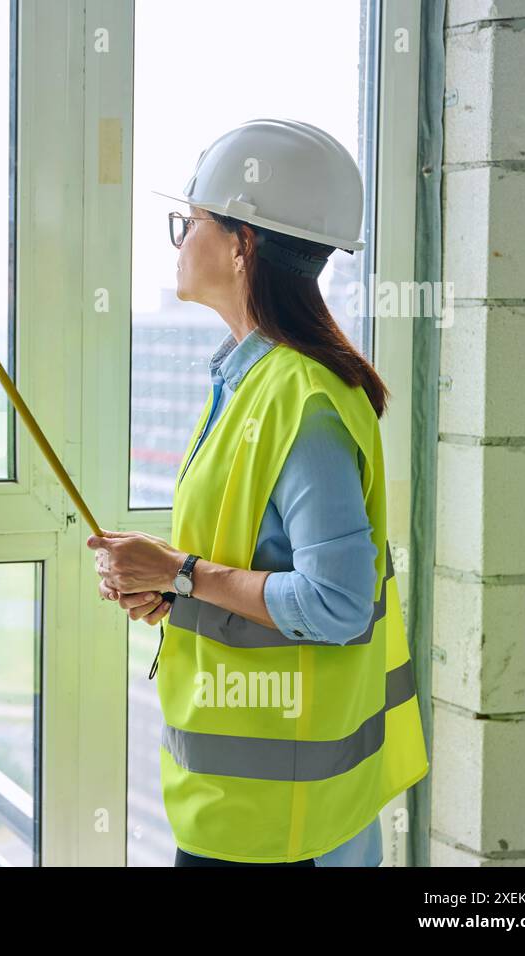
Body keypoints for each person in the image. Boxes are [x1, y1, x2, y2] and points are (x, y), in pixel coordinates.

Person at [88, 119, 428, 867]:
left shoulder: (297, 399)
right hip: (257, 803)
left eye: (191, 222)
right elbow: (267, 558)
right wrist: (178, 590)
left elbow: (336, 603)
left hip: (281, 820)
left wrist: (182, 574)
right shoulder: (252, 381)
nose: (179, 240)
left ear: (242, 244)